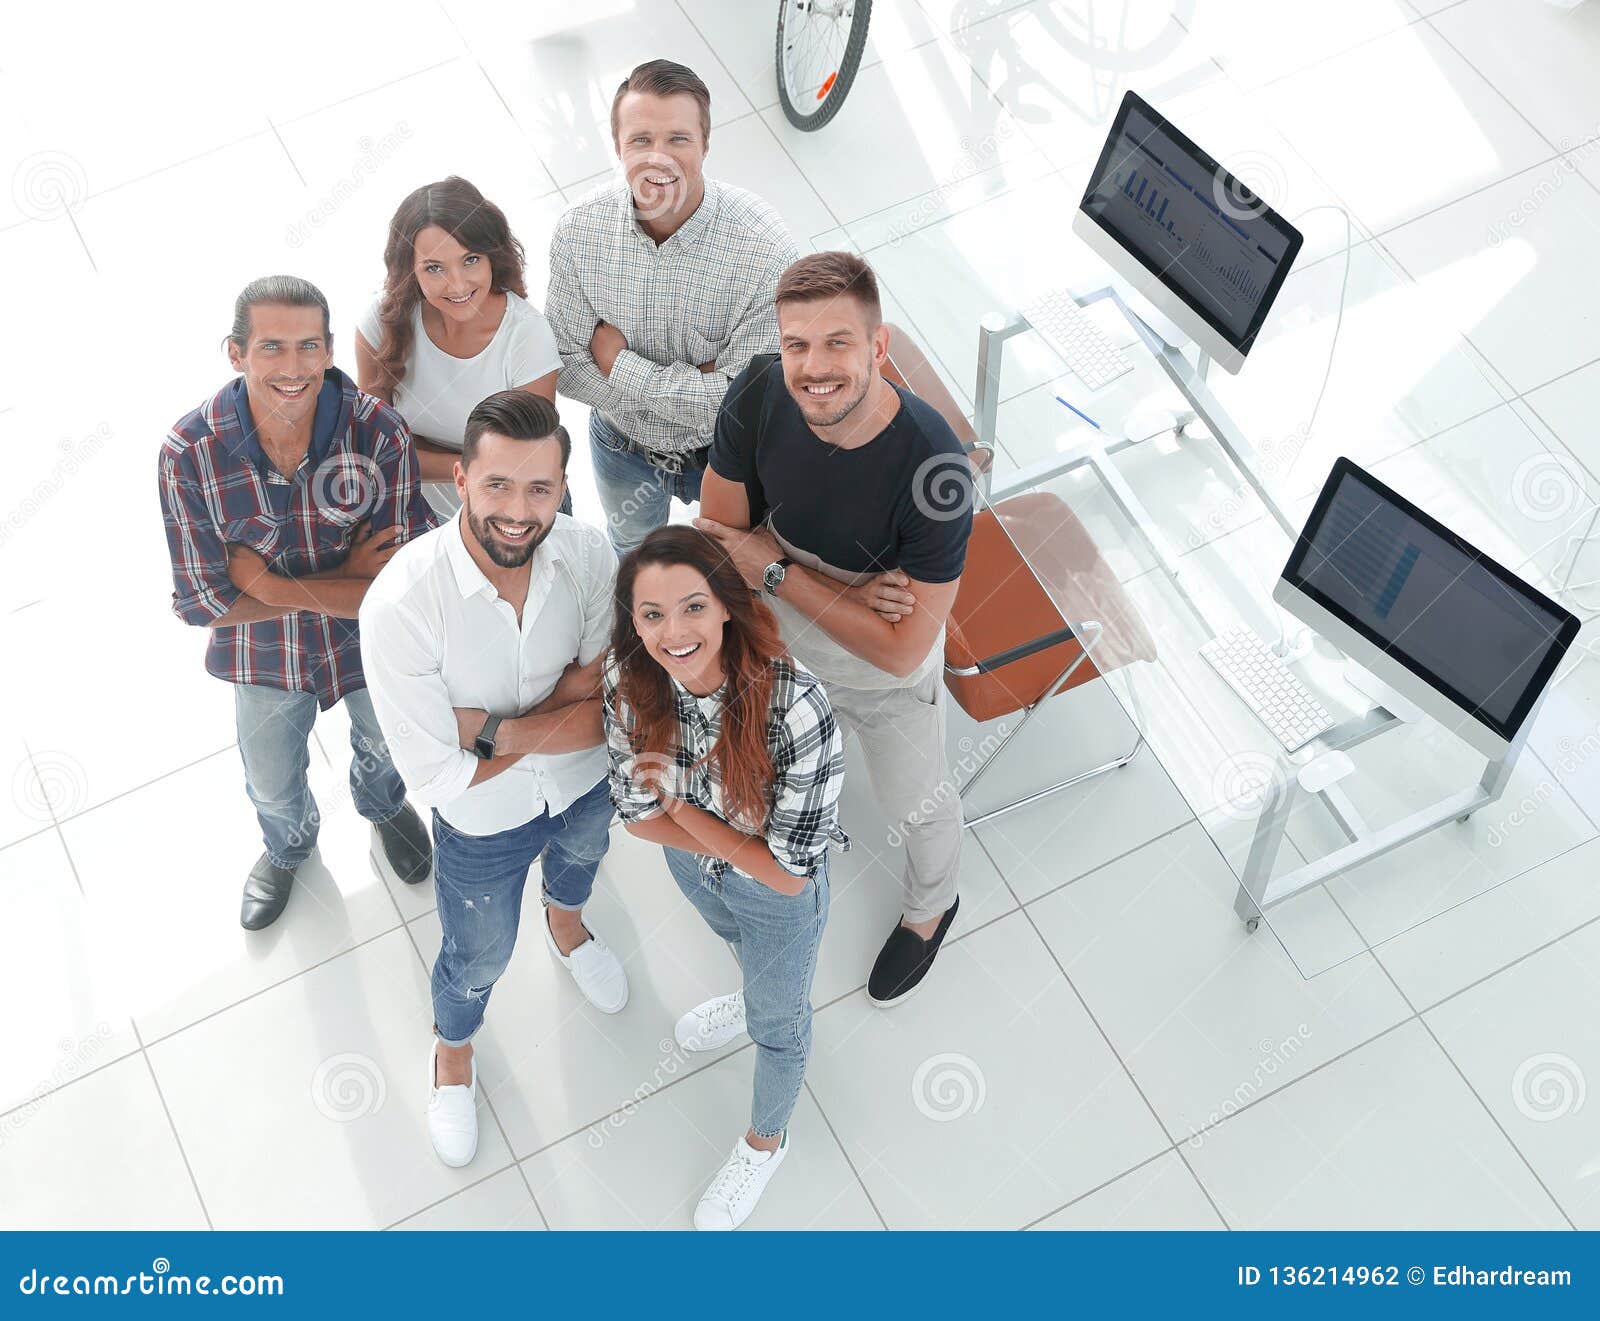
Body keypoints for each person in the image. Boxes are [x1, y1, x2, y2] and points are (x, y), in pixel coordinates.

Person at [695, 251, 974, 1008]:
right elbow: (716, 533)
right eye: (797, 345)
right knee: (759, 771)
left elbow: (902, 649)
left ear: (878, 346)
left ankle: (933, 907)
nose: (813, 368)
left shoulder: (937, 471)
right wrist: (846, 590)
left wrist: (773, 563)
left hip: (883, 685)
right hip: (779, 647)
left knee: (916, 804)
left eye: (837, 343)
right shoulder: (759, 391)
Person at [358, 390, 625, 1169]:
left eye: (540, 488)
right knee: (476, 956)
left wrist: (489, 729)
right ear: (461, 480)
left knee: (580, 863)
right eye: (497, 485)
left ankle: (567, 928)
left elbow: (607, 703)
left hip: (584, 783)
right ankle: (453, 1052)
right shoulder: (401, 606)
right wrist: (562, 706)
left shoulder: (590, 554)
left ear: (563, 485)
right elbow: (441, 779)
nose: (518, 510)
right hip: (482, 822)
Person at [158, 275, 438, 931]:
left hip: (372, 642)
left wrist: (271, 587)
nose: (293, 367)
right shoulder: (189, 454)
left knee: (386, 743)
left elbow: (403, 589)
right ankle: (288, 846)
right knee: (272, 781)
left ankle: (384, 805)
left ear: (330, 349)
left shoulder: (380, 434)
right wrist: (349, 577)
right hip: (264, 653)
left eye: (309, 346)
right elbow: (202, 604)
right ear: (236, 353)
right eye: (272, 347)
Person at [603, 526, 844, 1230]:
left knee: (781, 1024)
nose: (674, 633)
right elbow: (635, 816)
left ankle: (765, 1142)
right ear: (633, 622)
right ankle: (751, 994)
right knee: (734, 942)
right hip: (695, 866)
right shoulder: (628, 678)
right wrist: (714, 839)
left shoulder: (797, 708)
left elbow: (789, 877)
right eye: (652, 614)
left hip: (776, 899)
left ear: (728, 606)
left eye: (693, 607)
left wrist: (680, 807)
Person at [544, 58, 798, 556]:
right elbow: (568, 370)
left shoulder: (764, 249)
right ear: (617, 145)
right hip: (622, 447)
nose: (658, 158)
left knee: (738, 564)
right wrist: (698, 382)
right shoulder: (579, 233)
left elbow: (743, 401)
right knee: (633, 554)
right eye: (641, 139)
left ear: (705, 143)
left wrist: (619, 364)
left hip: (727, 451)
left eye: (678, 139)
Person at [355, 176, 567, 521]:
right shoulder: (381, 323)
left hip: (514, 509)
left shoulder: (527, 335)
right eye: (434, 268)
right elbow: (374, 449)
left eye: (470, 260)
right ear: (410, 270)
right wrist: (477, 462)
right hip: (419, 509)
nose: (457, 285)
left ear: (491, 255)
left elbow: (524, 463)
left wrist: (417, 451)